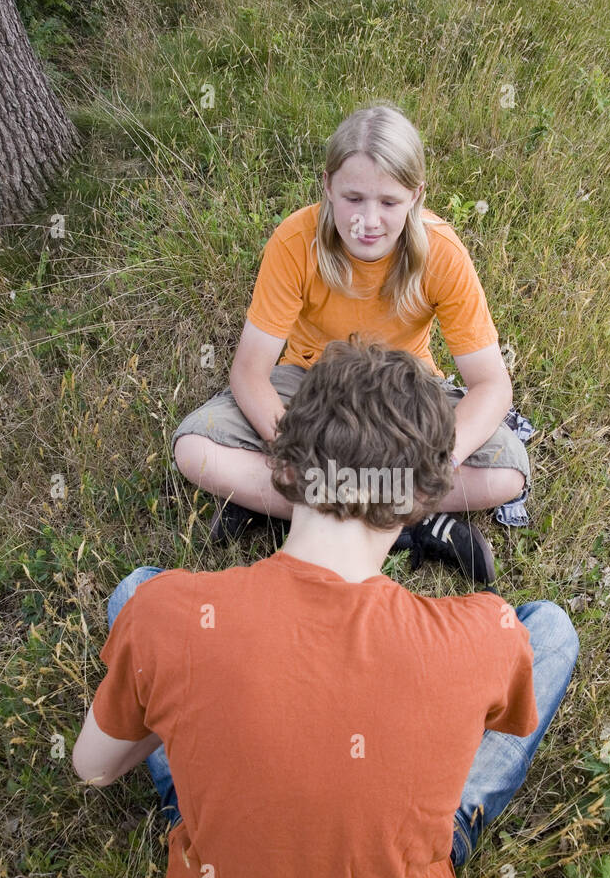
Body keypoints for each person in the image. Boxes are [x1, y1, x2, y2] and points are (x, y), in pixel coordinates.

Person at [73, 339, 578, 878]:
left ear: (282, 467)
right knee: (551, 630)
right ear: (425, 499)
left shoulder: (168, 614)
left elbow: (94, 768)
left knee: (135, 591)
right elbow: (498, 712)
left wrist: (187, 699)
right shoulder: (487, 633)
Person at [171, 99, 532, 588]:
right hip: (308, 381)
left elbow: (491, 385)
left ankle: (288, 511)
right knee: (195, 448)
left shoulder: (442, 252)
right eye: (353, 198)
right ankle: (410, 523)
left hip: (403, 390)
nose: (368, 220)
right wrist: (292, 450)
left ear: (415, 196)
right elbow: (250, 372)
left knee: (506, 474)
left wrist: (440, 459)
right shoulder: (295, 241)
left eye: (388, 203)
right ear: (327, 187)